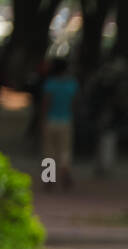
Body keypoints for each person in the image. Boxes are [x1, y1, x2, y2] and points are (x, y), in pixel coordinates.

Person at [41, 59, 78, 190]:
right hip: (66, 120)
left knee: (49, 150)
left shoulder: (50, 84)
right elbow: (74, 104)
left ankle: (49, 179)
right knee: (65, 150)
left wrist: (43, 120)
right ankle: (65, 171)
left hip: (51, 120)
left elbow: (46, 103)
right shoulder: (72, 85)